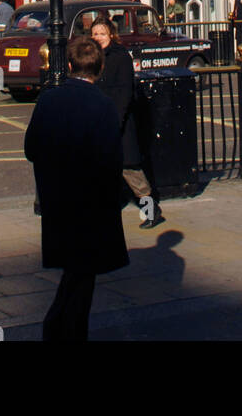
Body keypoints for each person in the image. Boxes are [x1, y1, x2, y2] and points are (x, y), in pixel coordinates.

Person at [24, 37, 129, 341]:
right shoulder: (104, 105)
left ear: (69, 66)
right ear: (100, 67)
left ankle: (58, 327)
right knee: (82, 277)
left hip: (58, 201)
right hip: (91, 204)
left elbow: (31, 148)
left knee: (76, 273)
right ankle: (60, 328)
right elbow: (112, 160)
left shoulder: (49, 99)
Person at [91, 19, 164, 229]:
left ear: (111, 35)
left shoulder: (120, 56)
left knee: (130, 171)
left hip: (117, 122)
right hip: (99, 121)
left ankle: (152, 210)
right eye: (95, 34)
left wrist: (116, 121)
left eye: (102, 34)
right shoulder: (93, 57)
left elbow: (124, 92)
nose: (98, 38)